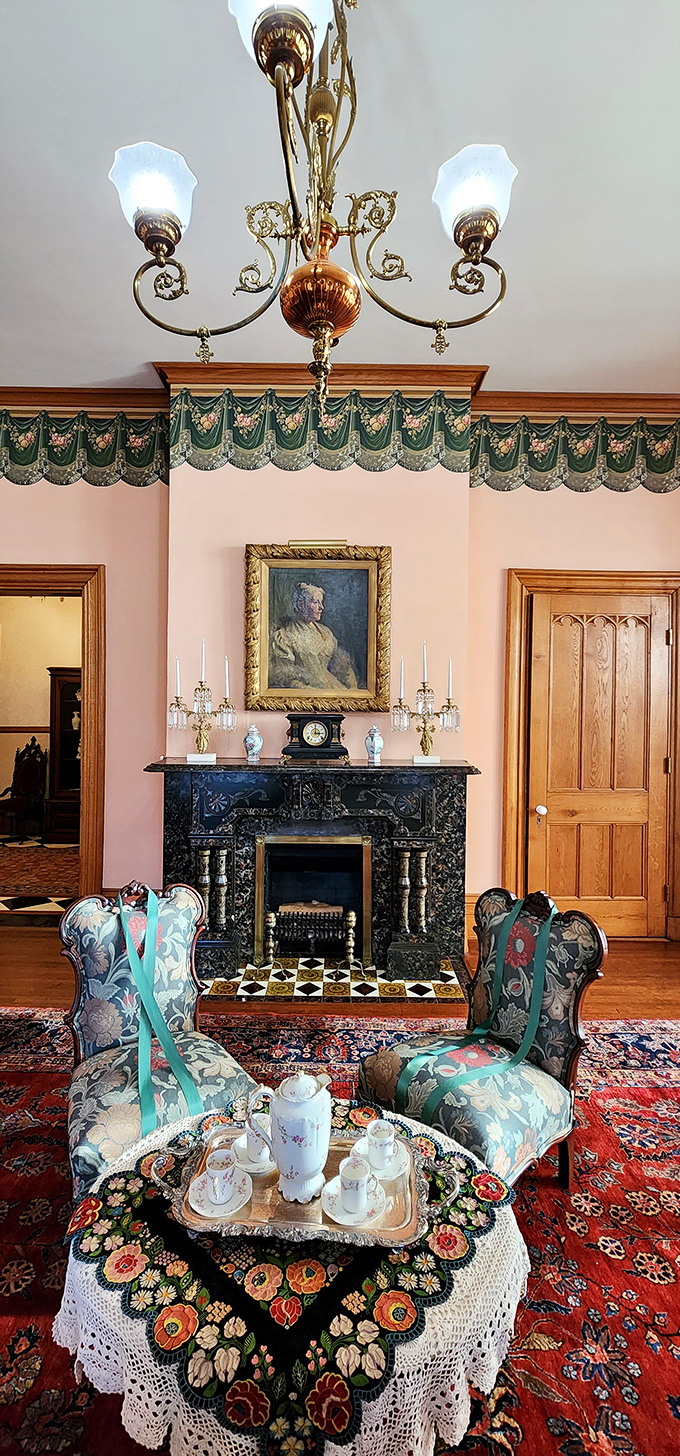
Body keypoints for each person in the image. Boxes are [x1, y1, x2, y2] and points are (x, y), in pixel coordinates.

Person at [269, 581, 359, 691]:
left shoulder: (325, 632)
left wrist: (353, 687)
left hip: (333, 686)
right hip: (308, 691)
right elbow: (288, 678)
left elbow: (343, 667)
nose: (321, 607)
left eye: (321, 602)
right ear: (301, 605)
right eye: (315, 602)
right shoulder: (284, 636)